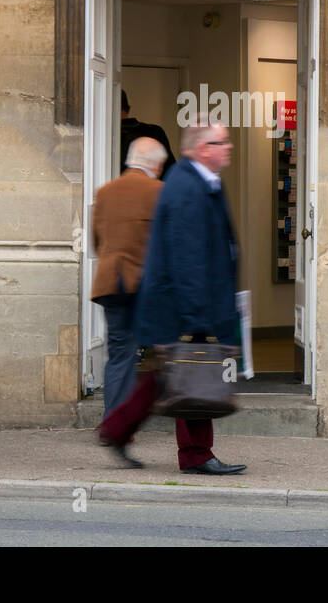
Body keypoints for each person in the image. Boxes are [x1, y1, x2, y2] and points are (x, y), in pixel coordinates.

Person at [97, 119, 246, 474]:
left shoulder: (202, 183)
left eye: (226, 143)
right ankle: (196, 454)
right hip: (181, 308)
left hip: (183, 306)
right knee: (191, 375)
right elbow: (186, 257)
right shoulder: (186, 187)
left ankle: (117, 431)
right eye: (219, 143)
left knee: (167, 379)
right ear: (199, 148)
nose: (227, 149)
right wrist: (196, 318)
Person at [90, 137, 167, 416]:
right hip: (145, 285)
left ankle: (114, 420)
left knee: (120, 353)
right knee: (165, 350)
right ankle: (171, 408)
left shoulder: (105, 192)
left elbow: (97, 240)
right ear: (156, 164)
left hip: (110, 282)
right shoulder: (159, 191)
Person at [120, 90, 176, 179]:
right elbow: (170, 171)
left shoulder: (101, 137)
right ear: (128, 108)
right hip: (155, 190)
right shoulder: (154, 131)